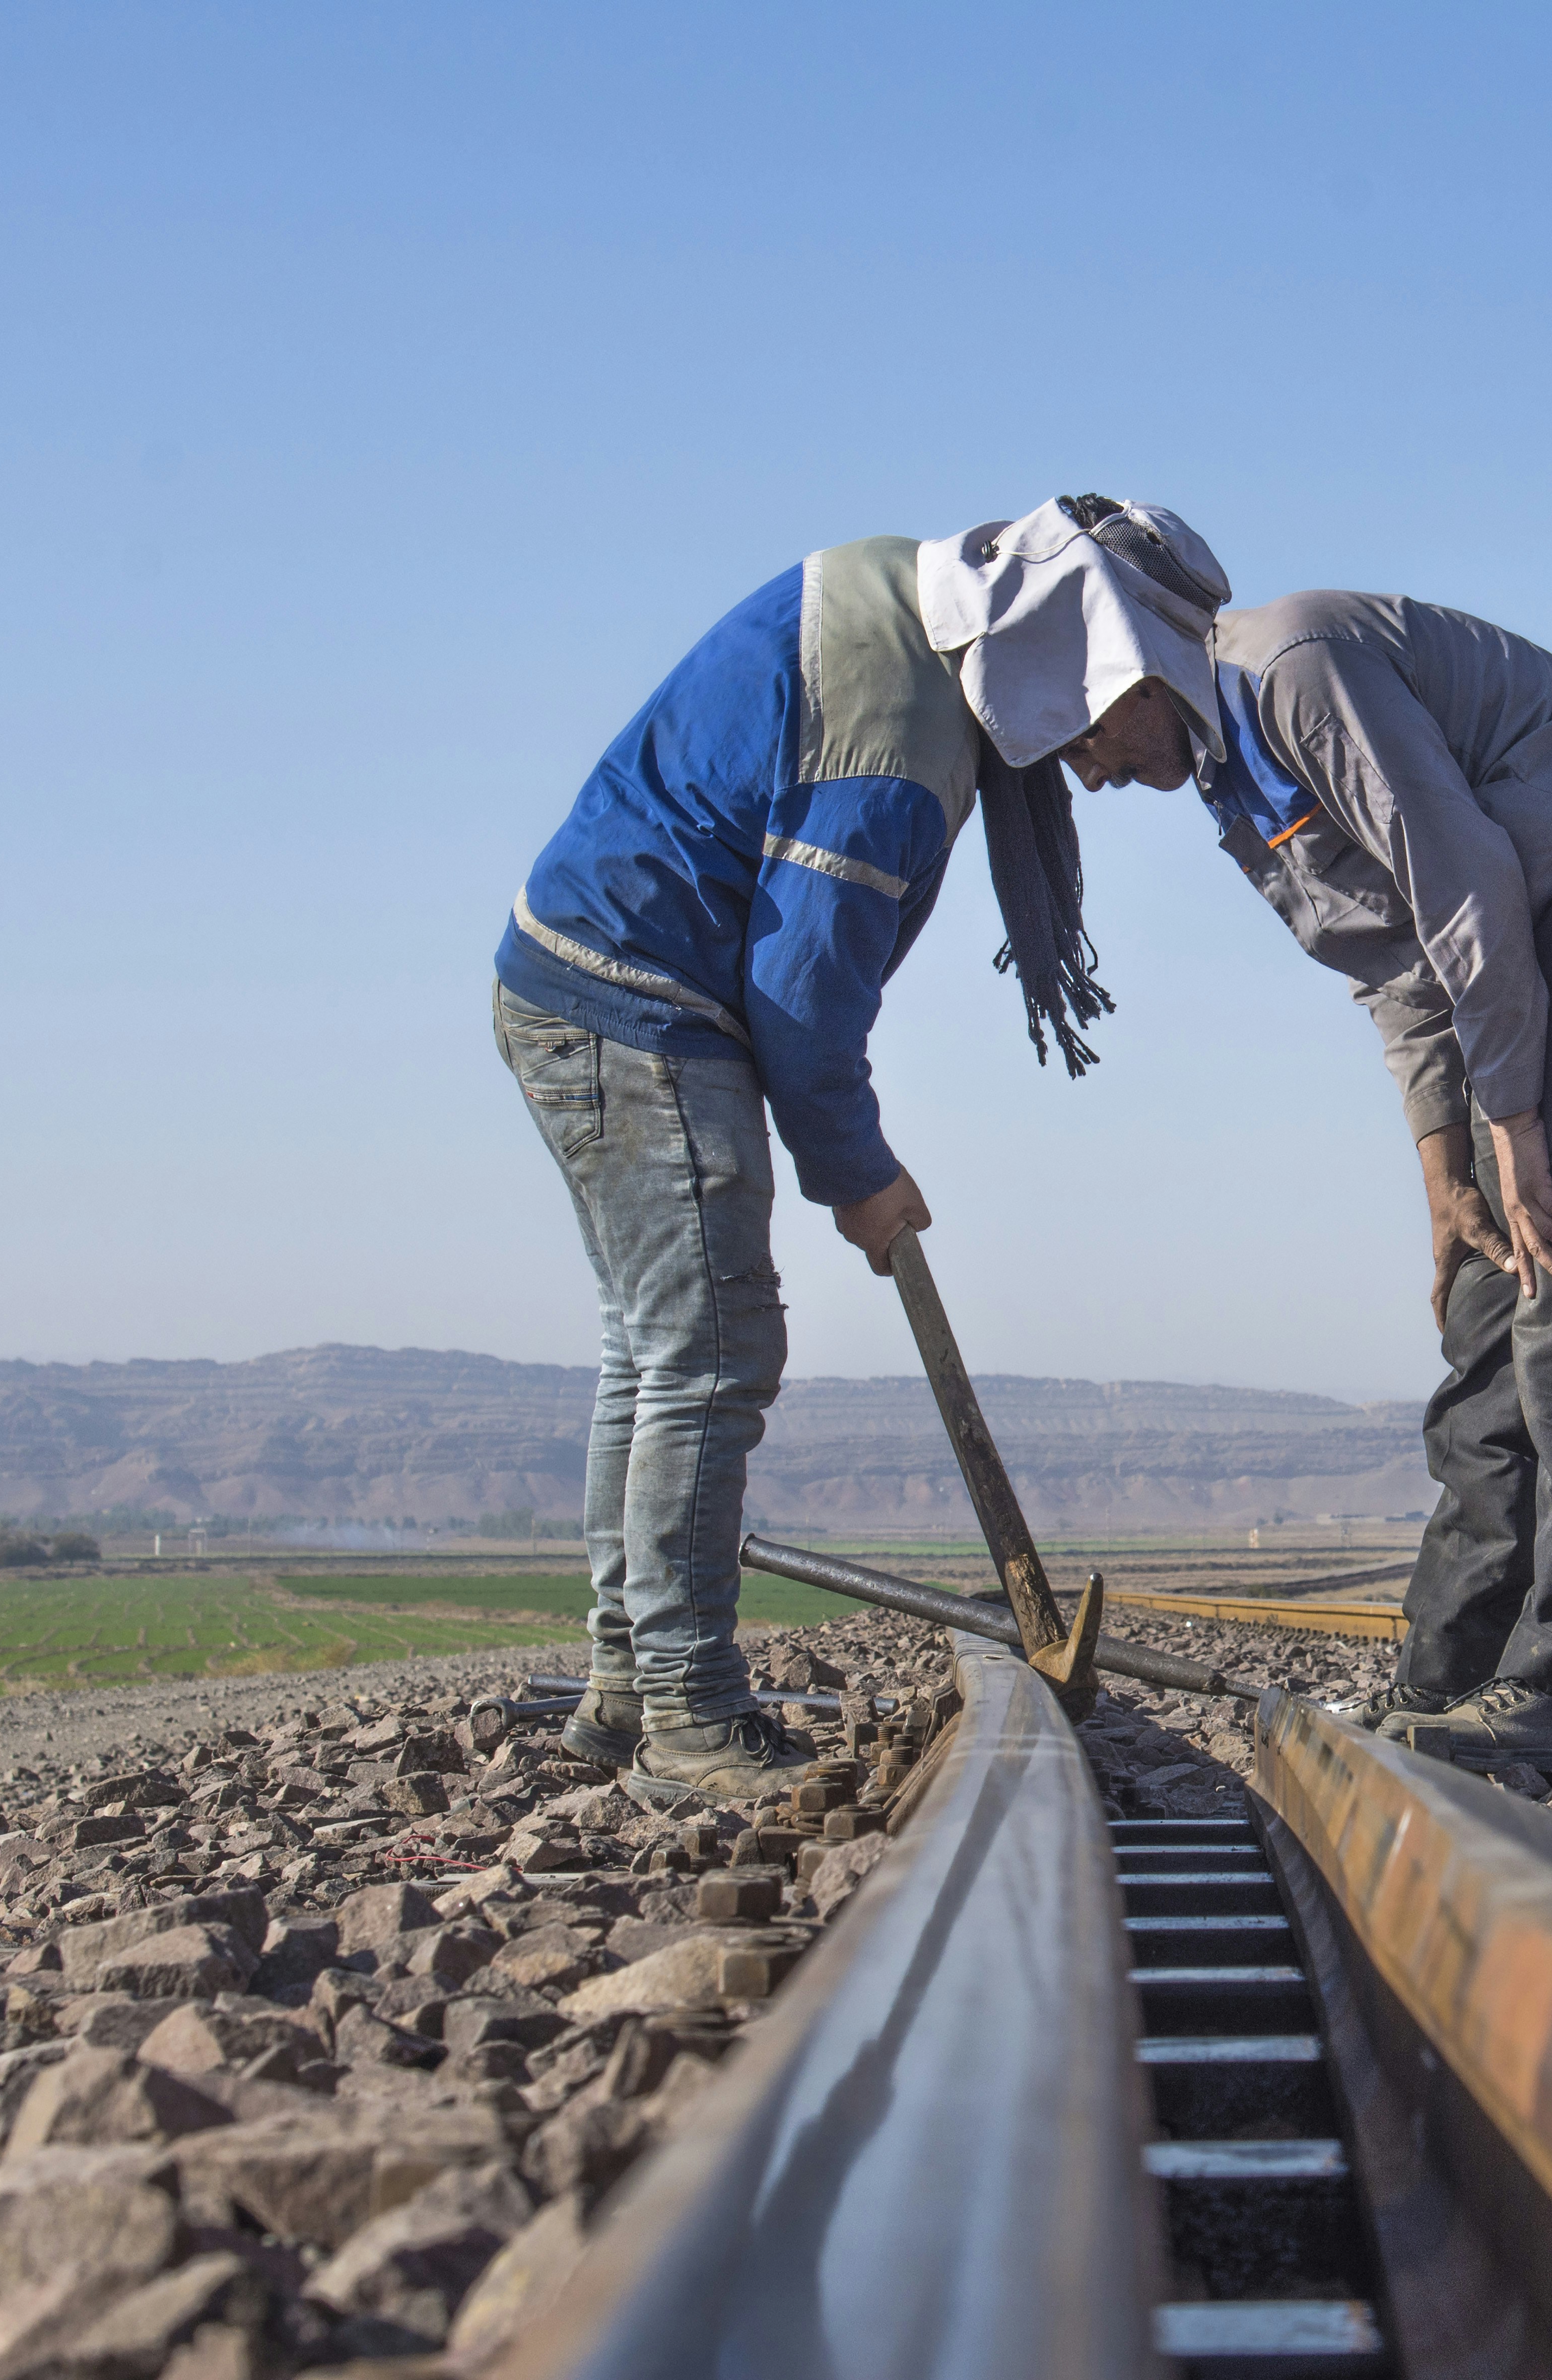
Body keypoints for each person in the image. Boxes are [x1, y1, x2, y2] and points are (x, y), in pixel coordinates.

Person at [493, 495, 1228, 1810]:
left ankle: (625, 1689)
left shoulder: (913, 606)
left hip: (586, 973)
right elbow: (802, 1003)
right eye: (1152, 732)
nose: (1118, 774)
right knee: (711, 1346)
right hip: (633, 989)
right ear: (1096, 668)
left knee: (654, 1349)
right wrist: (863, 1176)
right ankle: (687, 1712)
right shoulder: (897, 744)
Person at [1064, 589, 1552, 1776]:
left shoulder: (1289, 673)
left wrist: (1520, 1129)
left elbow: (1466, 884)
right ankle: (1451, 1676)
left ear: (1127, 670)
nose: (1090, 775)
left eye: (1084, 737)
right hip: (1523, 963)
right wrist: (1450, 1180)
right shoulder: (1236, 782)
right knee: (1489, 1312)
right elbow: (1400, 971)